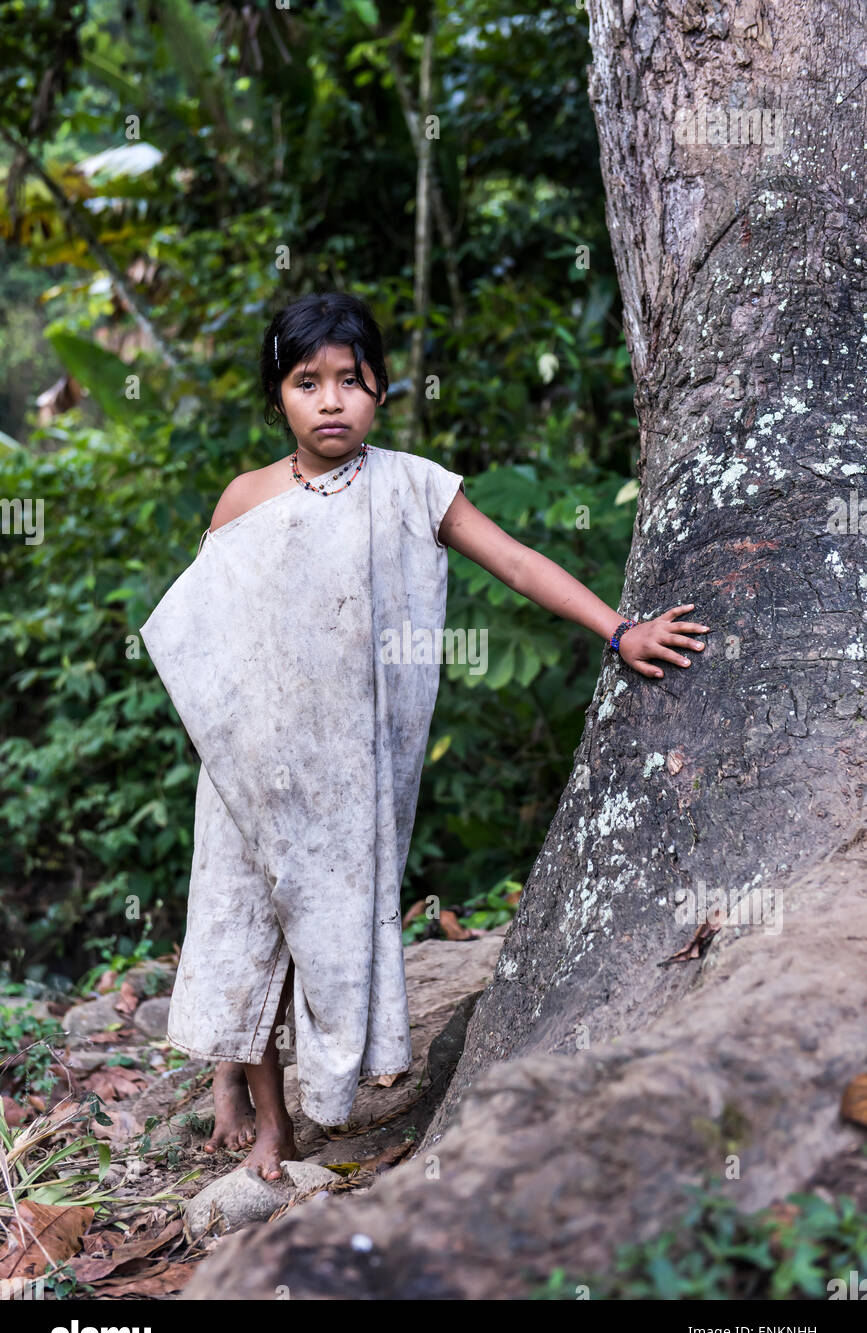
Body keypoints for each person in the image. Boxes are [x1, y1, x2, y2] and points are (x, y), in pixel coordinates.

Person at [140, 290, 709, 1181]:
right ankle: (264, 1119)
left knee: (315, 920)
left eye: (351, 381)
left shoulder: (412, 486)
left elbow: (516, 560)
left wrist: (618, 628)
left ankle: (293, 1096)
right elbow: (206, 641)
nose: (331, 401)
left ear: (379, 392)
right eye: (307, 382)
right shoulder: (242, 501)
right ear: (278, 397)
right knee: (242, 922)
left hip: (347, 775)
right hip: (251, 770)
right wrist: (231, 748)